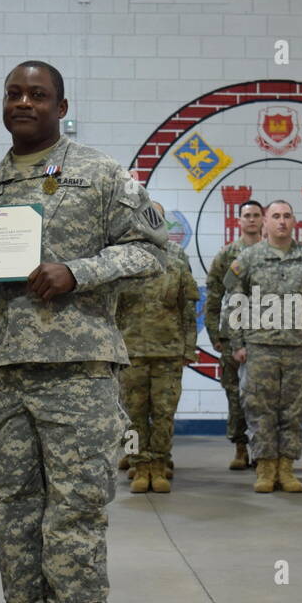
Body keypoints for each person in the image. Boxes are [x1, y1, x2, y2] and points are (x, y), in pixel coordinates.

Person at [0, 61, 166, 603]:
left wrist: (76, 272)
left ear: (60, 106)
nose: (24, 102)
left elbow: (153, 252)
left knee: (76, 507)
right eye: (14, 94)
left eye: (38, 94)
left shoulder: (99, 174)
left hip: (79, 371)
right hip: (3, 372)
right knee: (13, 508)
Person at [223, 199, 302, 494]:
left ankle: (287, 466)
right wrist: (237, 343)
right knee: (259, 407)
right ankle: (265, 466)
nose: (281, 221)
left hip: (299, 347)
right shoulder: (247, 259)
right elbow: (232, 302)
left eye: (287, 216)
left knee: (295, 409)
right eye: (276, 216)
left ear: (294, 221)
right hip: (260, 346)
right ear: (265, 223)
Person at [117, 202, 199, 494]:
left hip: (168, 351)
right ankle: (139, 464)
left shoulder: (177, 258)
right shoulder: (121, 258)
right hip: (131, 351)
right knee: (132, 414)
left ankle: (159, 463)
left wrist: (189, 349)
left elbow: (187, 310)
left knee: (164, 413)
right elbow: (111, 310)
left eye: (157, 218)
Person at [204, 199, 264, 470]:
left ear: (263, 220)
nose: (251, 220)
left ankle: (263, 449)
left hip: (265, 334)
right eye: (246, 215)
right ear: (239, 221)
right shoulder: (227, 256)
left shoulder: (271, 252)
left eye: (256, 215)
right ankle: (241, 447)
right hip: (232, 334)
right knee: (235, 394)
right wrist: (215, 333)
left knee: (265, 396)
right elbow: (214, 296)